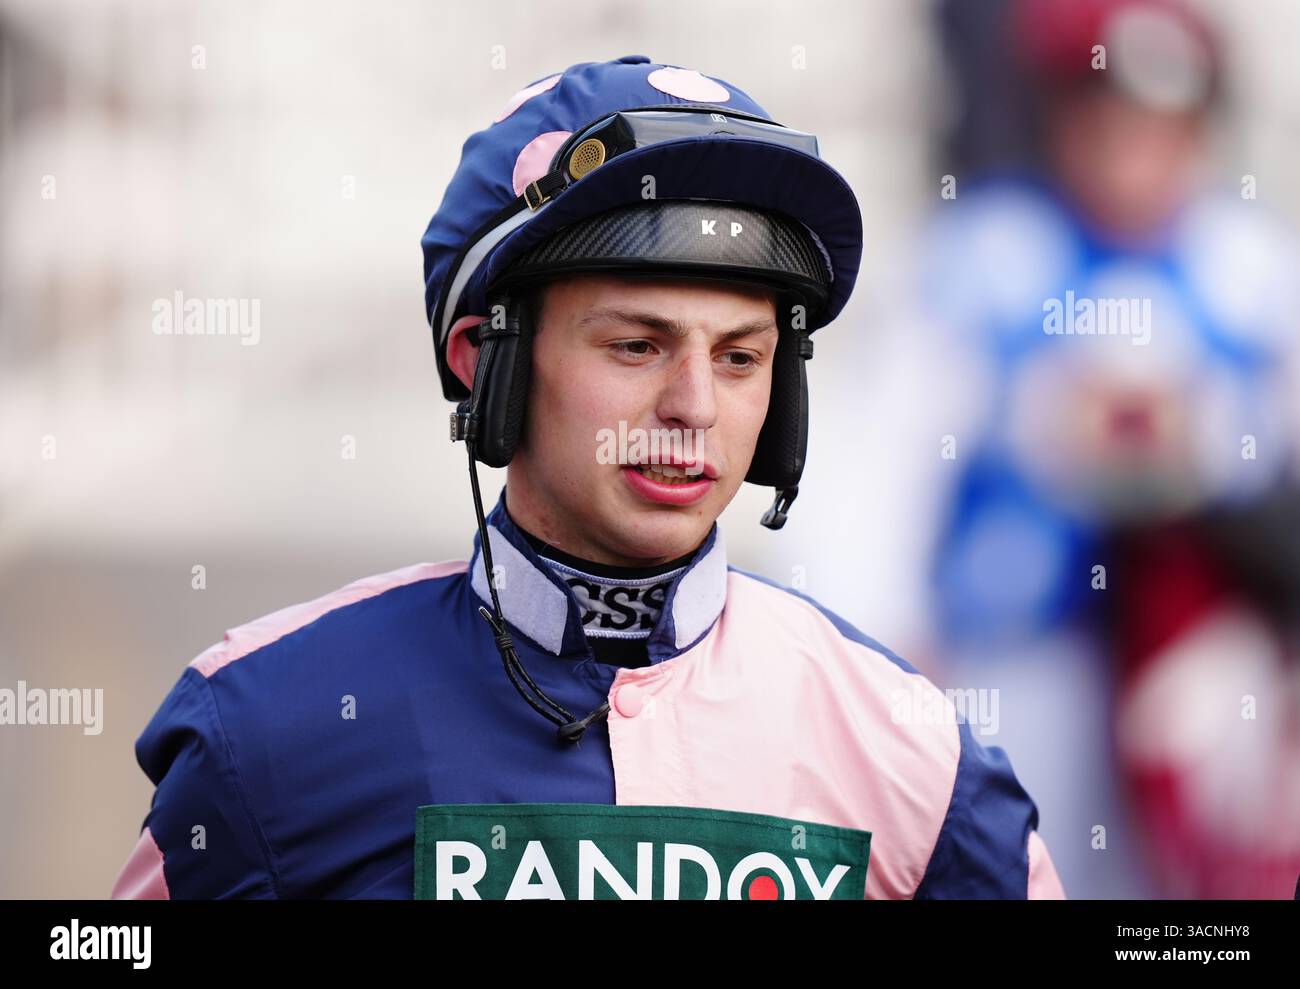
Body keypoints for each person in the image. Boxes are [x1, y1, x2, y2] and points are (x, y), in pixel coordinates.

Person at [111, 55, 1064, 900]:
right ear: (488, 362)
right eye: (637, 344)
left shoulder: (915, 747)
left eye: (740, 357)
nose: (694, 406)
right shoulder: (263, 726)